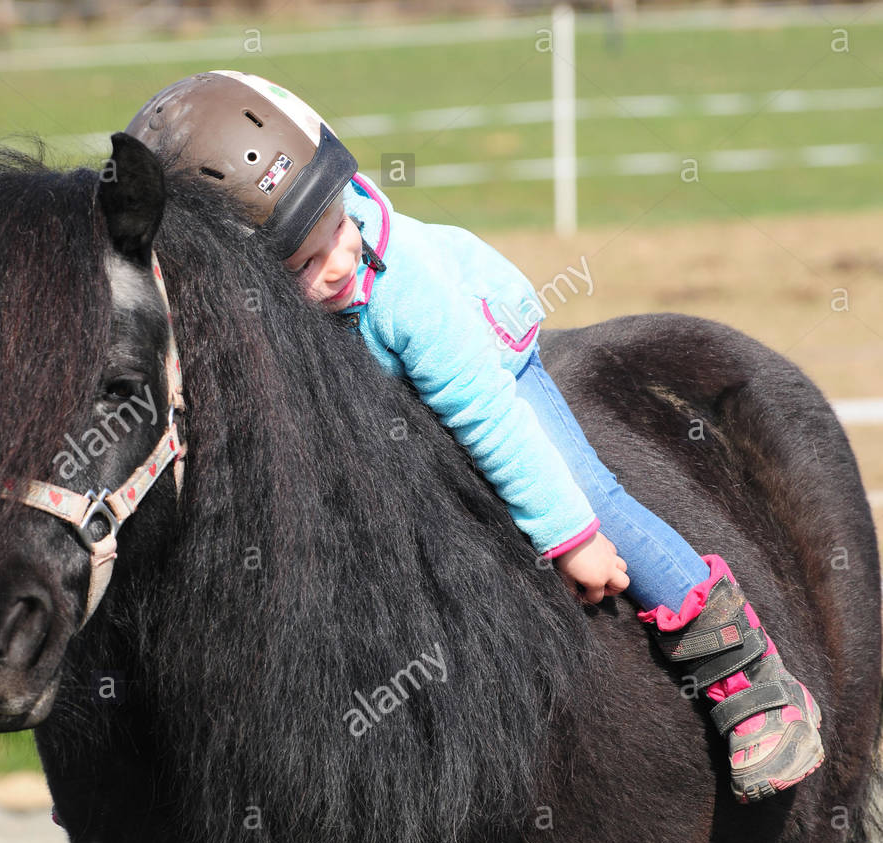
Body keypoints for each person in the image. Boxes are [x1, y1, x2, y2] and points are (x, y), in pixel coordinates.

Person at [125, 70, 825, 803]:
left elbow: (488, 413)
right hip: (376, 393)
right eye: (301, 264)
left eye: (337, 223)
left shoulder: (403, 287)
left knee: (594, 493)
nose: (337, 263)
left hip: (484, 358)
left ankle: (747, 677)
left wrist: (569, 536)